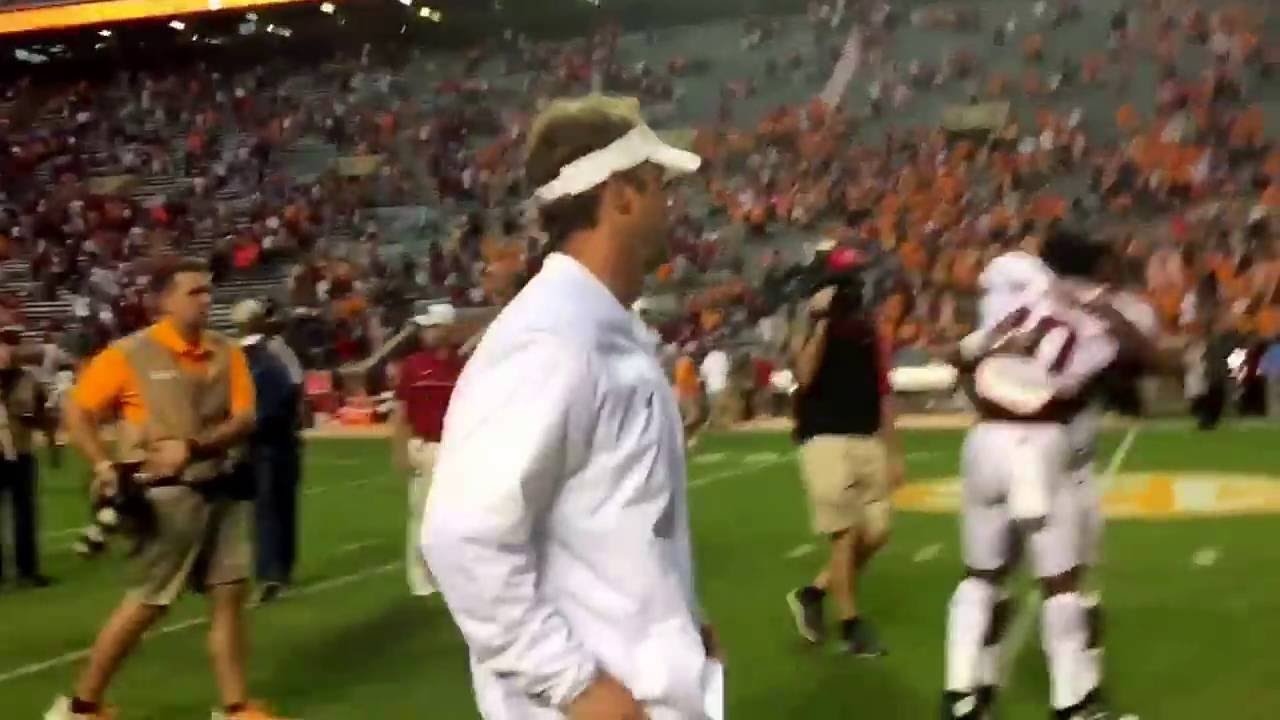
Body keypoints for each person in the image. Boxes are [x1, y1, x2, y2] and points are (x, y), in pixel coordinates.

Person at [424, 95, 722, 720]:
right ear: (620, 195)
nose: (670, 204)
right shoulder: (551, 340)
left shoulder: (595, 326)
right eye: (657, 185)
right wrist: (575, 686)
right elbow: (462, 538)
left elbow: (616, 517)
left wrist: (679, 619)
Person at [50, 258, 288, 720]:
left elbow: (245, 419)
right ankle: (81, 707)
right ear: (163, 300)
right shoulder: (127, 354)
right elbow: (77, 413)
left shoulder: (228, 352)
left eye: (207, 291)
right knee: (147, 603)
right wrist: (101, 464)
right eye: (194, 292)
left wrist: (194, 447)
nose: (206, 300)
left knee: (229, 596)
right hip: (164, 498)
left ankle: (236, 707)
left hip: (222, 487)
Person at [941, 233, 1129, 720]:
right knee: (1061, 583)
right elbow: (1095, 379)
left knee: (980, 576)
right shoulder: (1081, 320)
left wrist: (989, 362)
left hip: (983, 441)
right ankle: (1072, 702)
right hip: (1039, 445)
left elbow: (957, 360)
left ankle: (960, 694)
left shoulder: (999, 313)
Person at [784, 256, 903, 657]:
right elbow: (804, 374)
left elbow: (884, 392)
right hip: (823, 437)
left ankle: (814, 593)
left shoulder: (870, 332)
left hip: (866, 436)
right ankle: (851, 625)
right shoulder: (811, 325)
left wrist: (894, 451)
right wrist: (819, 321)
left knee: (878, 530)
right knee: (846, 530)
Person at [232, 299, 303, 604]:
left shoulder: (249, 356)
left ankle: (270, 574)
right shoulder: (277, 351)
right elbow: (295, 386)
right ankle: (280, 571)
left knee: (267, 511)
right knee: (281, 508)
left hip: (263, 441)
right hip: (281, 438)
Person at [392, 303, 464, 597]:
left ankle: (450, 572)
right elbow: (400, 410)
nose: (426, 333)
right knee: (421, 514)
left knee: (456, 516)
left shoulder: (464, 365)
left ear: (447, 329)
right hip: (426, 446)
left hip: (457, 450)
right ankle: (420, 577)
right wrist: (399, 449)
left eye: (432, 327)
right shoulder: (413, 365)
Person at [0, 325, 58, 589]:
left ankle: (28, 570)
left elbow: (44, 415)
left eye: (13, 344)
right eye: (5, 343)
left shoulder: (28, 379)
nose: (8, 350)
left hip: (22, 453)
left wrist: (50, 441)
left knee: (26, 514)